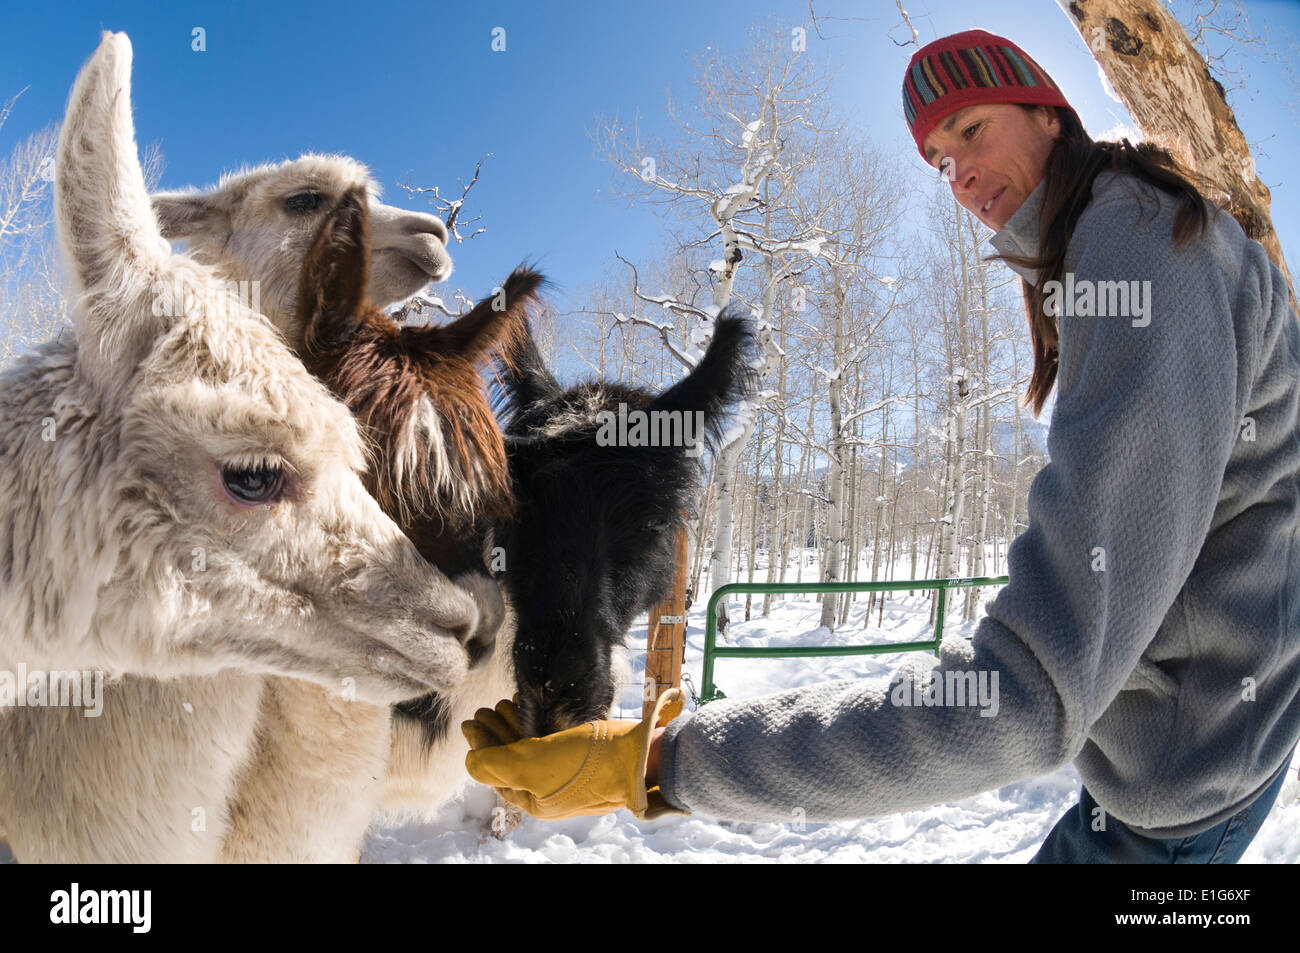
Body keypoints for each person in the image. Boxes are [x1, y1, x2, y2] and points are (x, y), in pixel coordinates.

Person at [463, 29, 1300, 863]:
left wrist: (657, 765)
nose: (960, 176)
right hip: (1177, 751)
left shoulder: (1138, 256)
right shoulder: (1120, 241)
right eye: (940, 160)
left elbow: (1026, 697)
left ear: (1048, 110)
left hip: (1182, 797)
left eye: (971, 129)